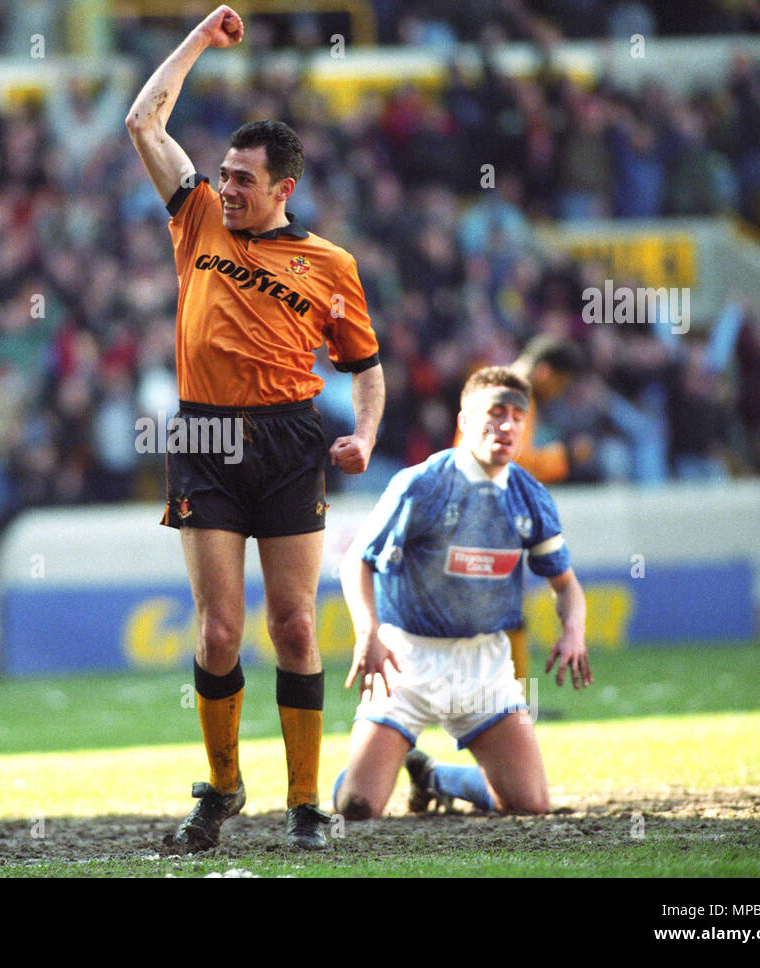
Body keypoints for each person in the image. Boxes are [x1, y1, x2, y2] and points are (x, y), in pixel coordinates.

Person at [126, 5, 385, 850]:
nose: (227, 187)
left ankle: (306, 801)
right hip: (203, 435)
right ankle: (224, 786)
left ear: (284, 190)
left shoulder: (329, 266)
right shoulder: (194, 215)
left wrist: (368, 436)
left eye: (243, 179)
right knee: (217, 629)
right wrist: (200, 37)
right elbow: (143, 120)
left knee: (297, 627)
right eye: (225, 173)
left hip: (287, 438)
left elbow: (366, 367)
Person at [333, 366, 591, 820]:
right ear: (465, 420)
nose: (508, 425)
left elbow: (566, 586)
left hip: (483, 665)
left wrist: (573, 628)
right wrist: (367, 632)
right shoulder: (422, 484)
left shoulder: (530, 495)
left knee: (530, 805)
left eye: (517, 416)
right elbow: (357, 560)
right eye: (495, 413)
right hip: (404, 661)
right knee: (357, 808)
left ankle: (437, 777)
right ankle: (362, 774)